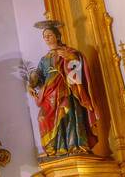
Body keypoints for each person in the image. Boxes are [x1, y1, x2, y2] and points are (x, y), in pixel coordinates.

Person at [19, 20, 99, 156]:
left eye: (49, 35)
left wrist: (71, 57)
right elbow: (38, 76)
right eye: (45, 36)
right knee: (42, 118)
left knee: (67, 116)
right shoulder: (44, 59)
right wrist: (30, 85)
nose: (47, 38)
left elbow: (78, 67)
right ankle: (56, 148)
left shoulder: (68, 52)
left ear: (57, 36)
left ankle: (74, 145)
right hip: (49, 94)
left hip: (65, 89)